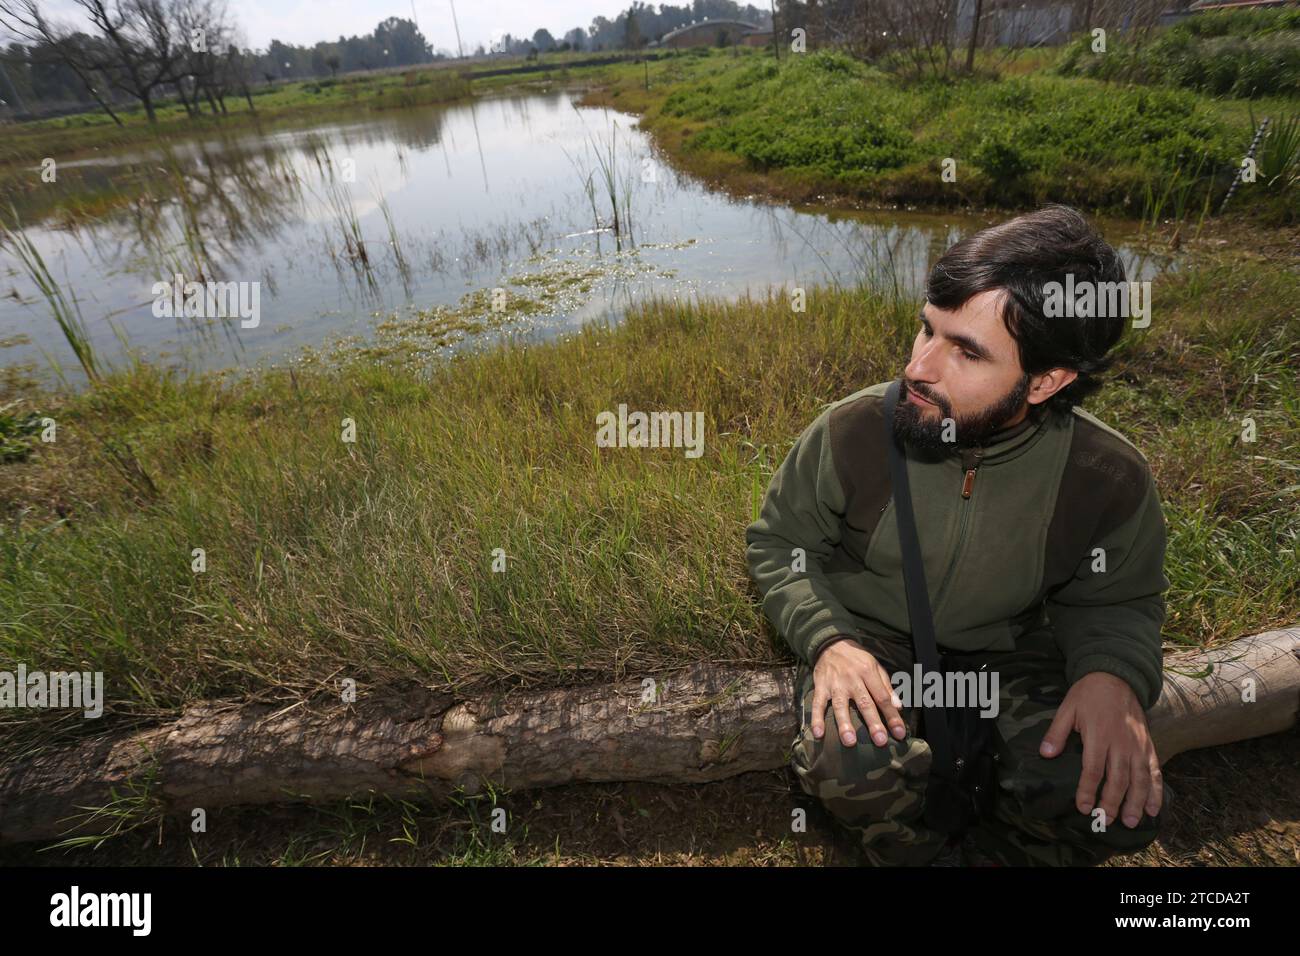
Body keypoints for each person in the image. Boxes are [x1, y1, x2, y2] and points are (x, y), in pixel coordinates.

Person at [745, 204, 1170, 866]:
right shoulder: (853, 430)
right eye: (927, 331)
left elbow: (1119, 598)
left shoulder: (1105, 476)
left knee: (1107, 800)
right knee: (848, 763)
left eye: (966, 351)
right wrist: (830, 641)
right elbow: (779, 547)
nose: (919, 367)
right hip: (875, 641)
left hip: (1011, 650)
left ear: (1046, 381)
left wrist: (1111, 675)